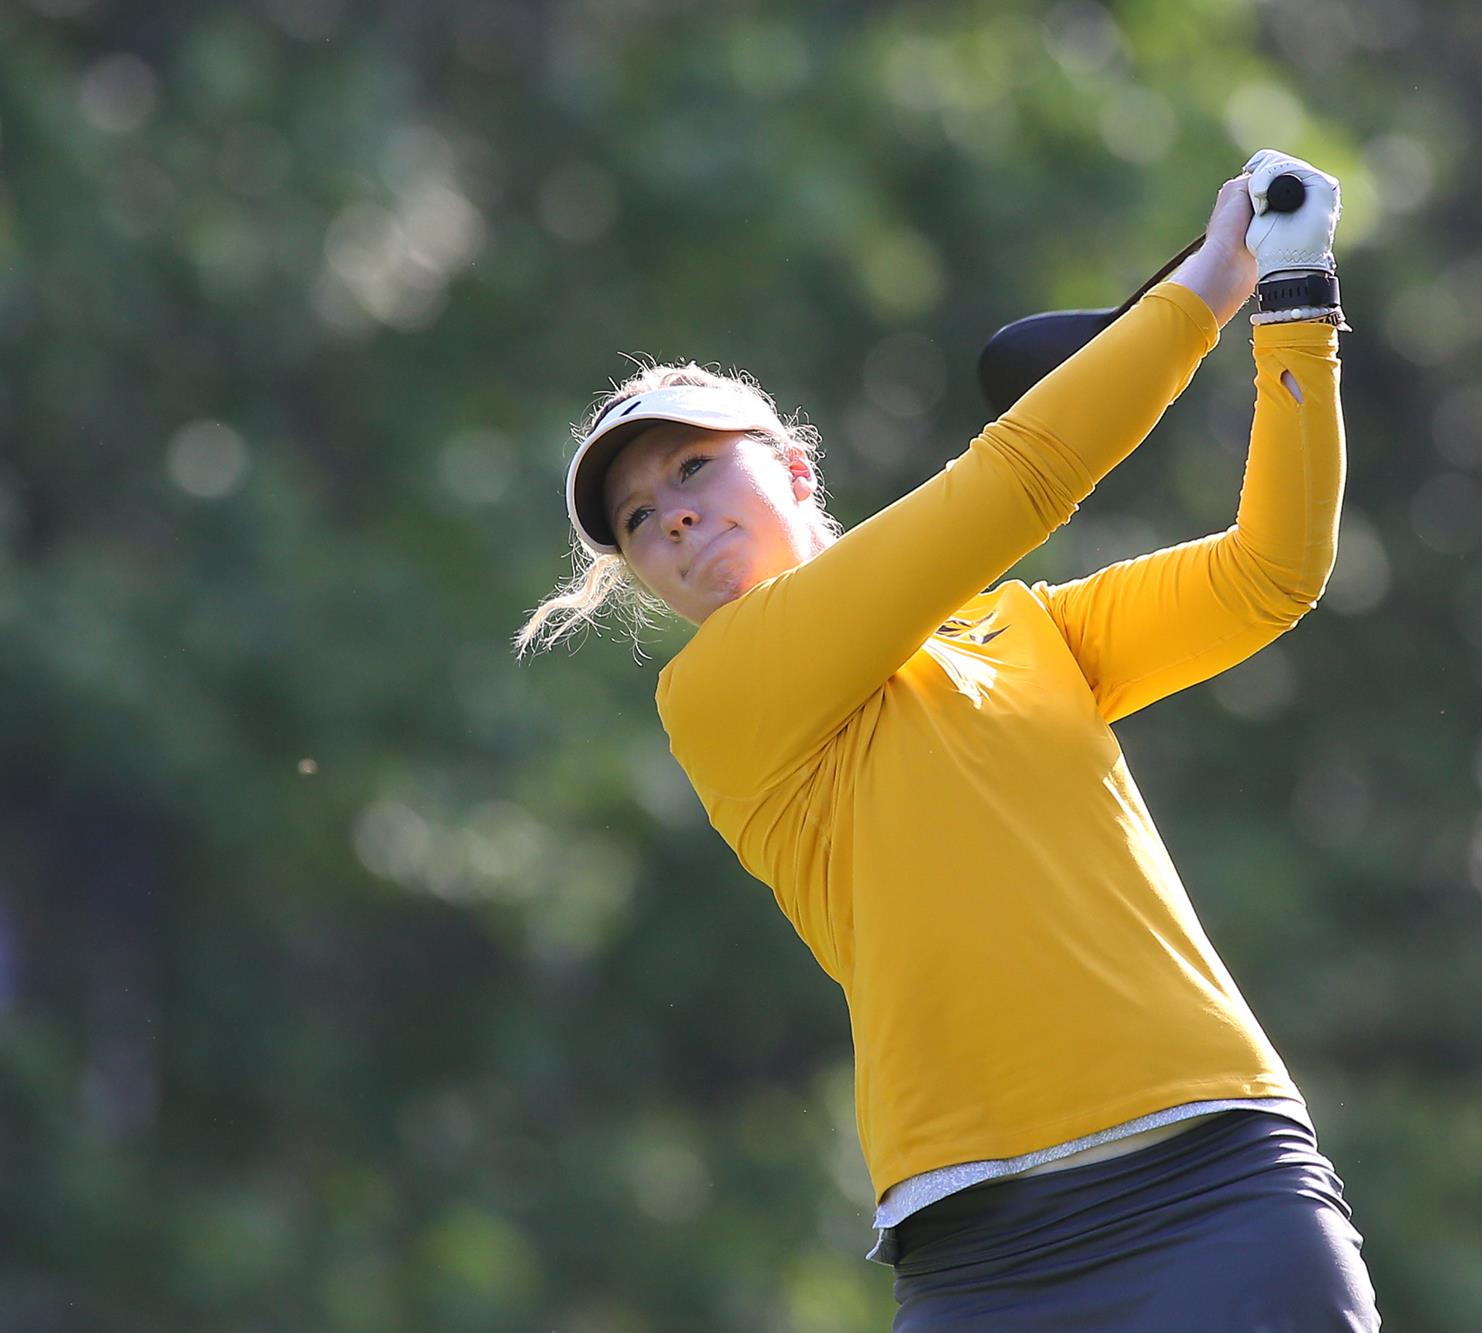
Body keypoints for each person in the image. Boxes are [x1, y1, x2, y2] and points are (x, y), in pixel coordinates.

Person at [518, 149, 1378, 1330]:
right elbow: (1021, 476)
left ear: (793, 466)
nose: (668, 511)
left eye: (695, 465)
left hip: (1213, 1179)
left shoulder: (1021, 630)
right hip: (982, 1257)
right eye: (633, 516)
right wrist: (1209, 289)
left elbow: (1269, 573)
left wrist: (1293, 303)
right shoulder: (717, 695)